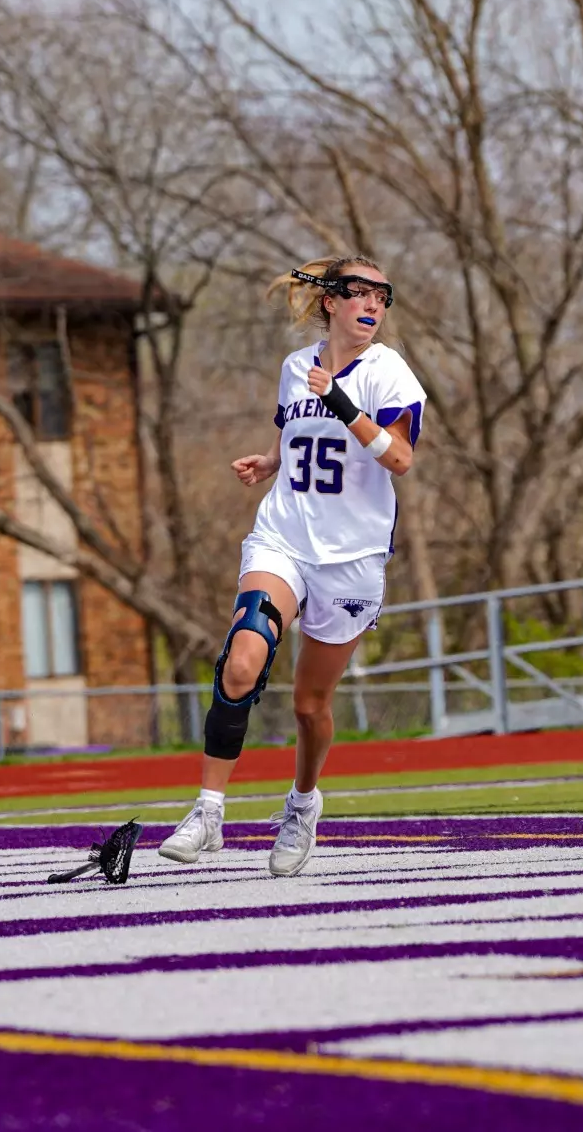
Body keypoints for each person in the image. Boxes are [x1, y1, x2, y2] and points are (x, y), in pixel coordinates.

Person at [157, 256, 425, 875]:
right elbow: (293, 427)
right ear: (331, 301)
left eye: (382, 296)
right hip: (284, 538)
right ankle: (208, 810)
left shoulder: (388, 371)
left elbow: (400, 458)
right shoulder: (295, 367)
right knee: (241, 661)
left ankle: (303, 804)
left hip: (351, 557)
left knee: (309, 706)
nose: (373, 304)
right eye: (360, 292)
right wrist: (273, 460)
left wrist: (340, 401)